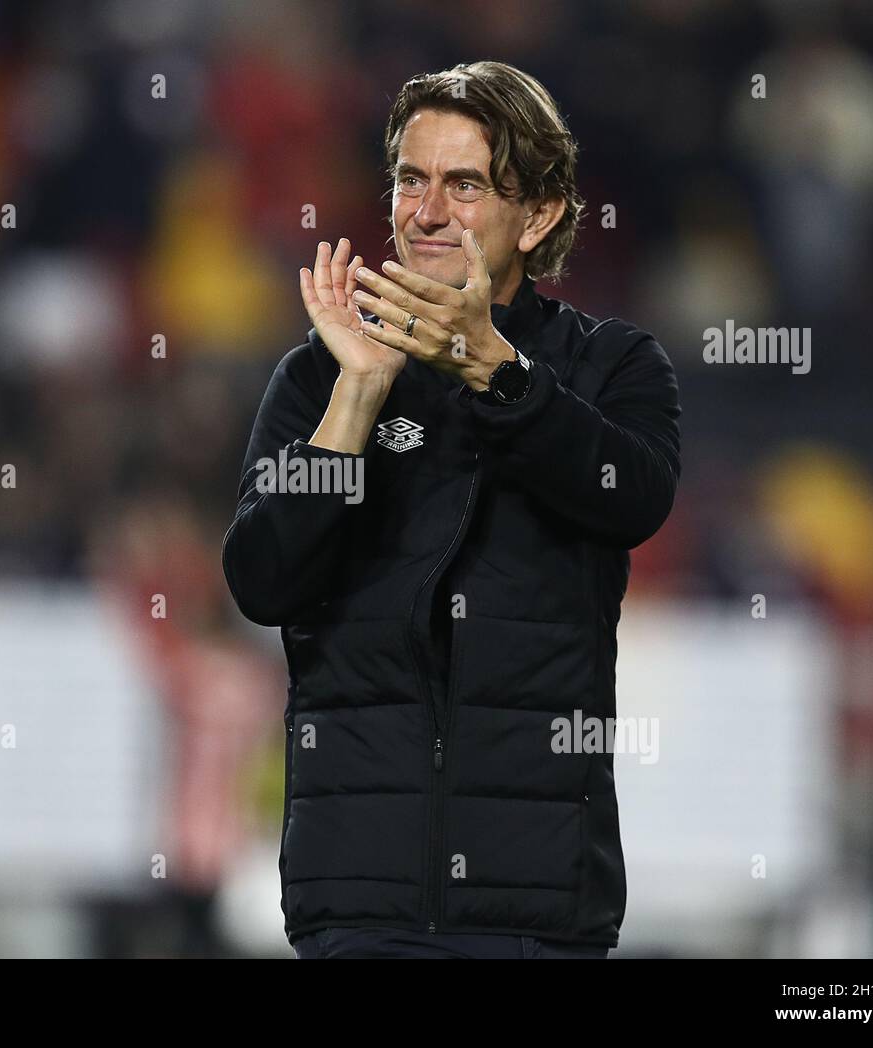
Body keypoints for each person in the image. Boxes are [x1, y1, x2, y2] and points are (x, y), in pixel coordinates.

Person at [222, 60, 681, 959]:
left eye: (464, 185)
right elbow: (263, 580)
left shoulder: (612, 367)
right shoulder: (318, 372)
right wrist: (356, 399)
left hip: (539, 906)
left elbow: (635, 498)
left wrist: (496, 374)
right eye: (410, 179)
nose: (425, 212)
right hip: (357, 903)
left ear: (539, 214)